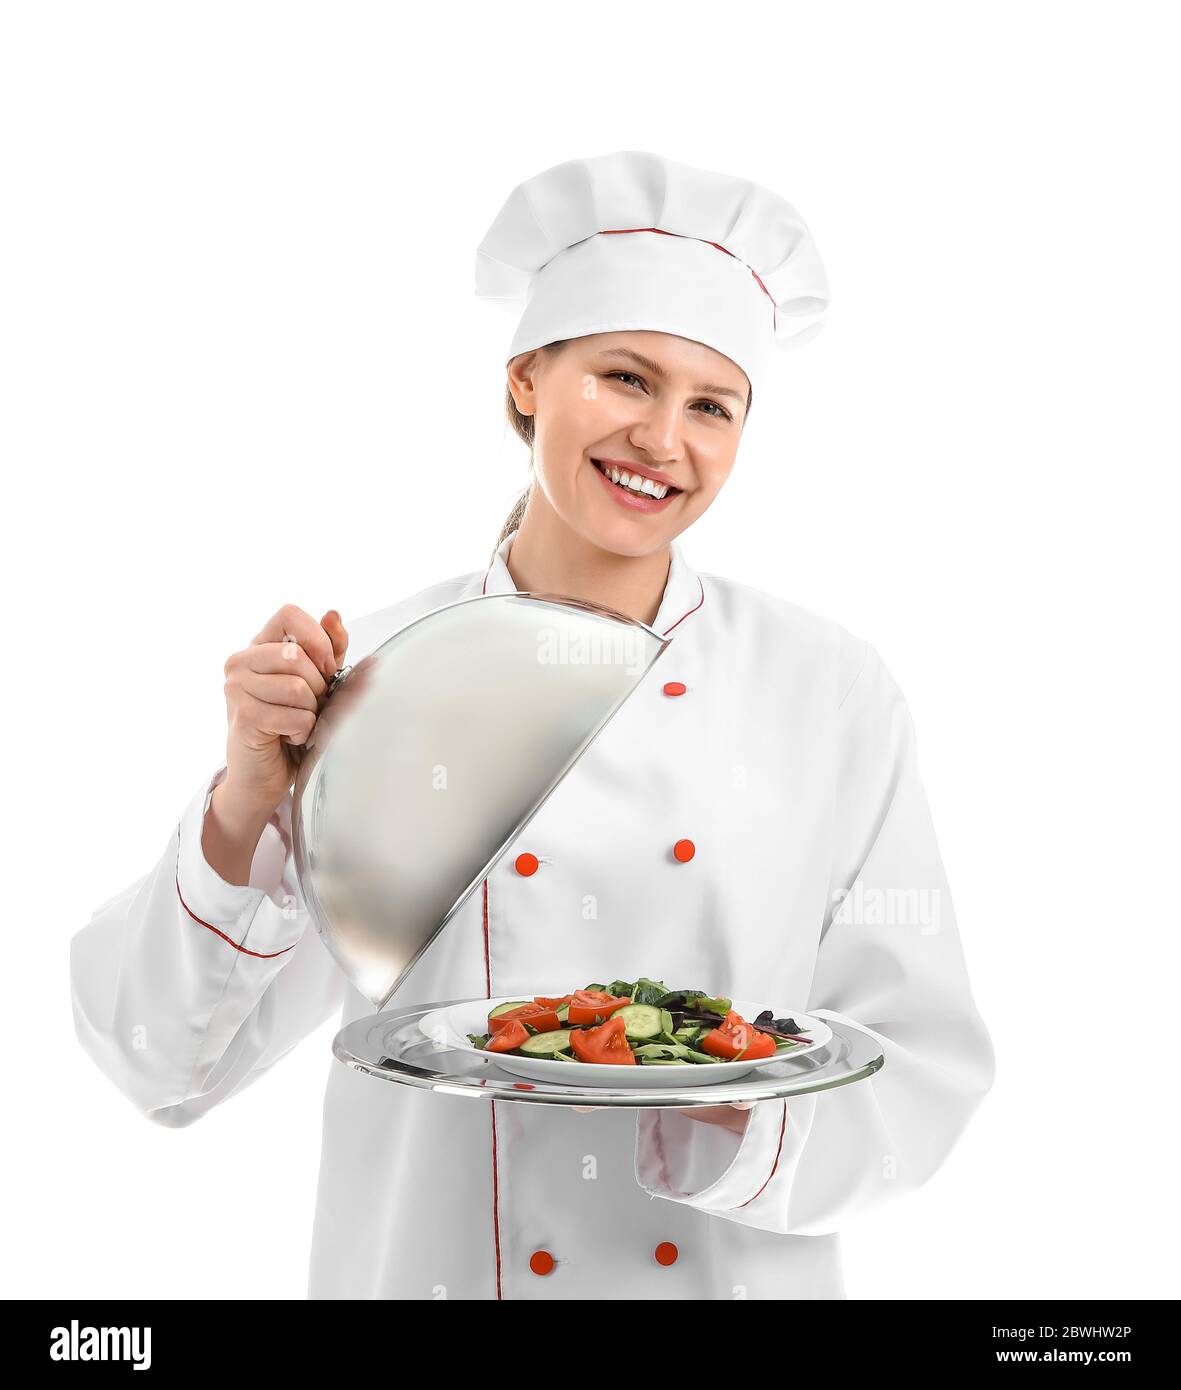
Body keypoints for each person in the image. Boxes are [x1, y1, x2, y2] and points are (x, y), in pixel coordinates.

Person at [70, 150, 994, 1300]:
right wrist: (243, 802)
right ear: (524, 381)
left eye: (711, 405)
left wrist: (708, 1083)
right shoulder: (376, 677)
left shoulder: (826, 689)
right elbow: (158, 1063)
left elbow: (917, 1075)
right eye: (622, 377)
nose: (663, 439)